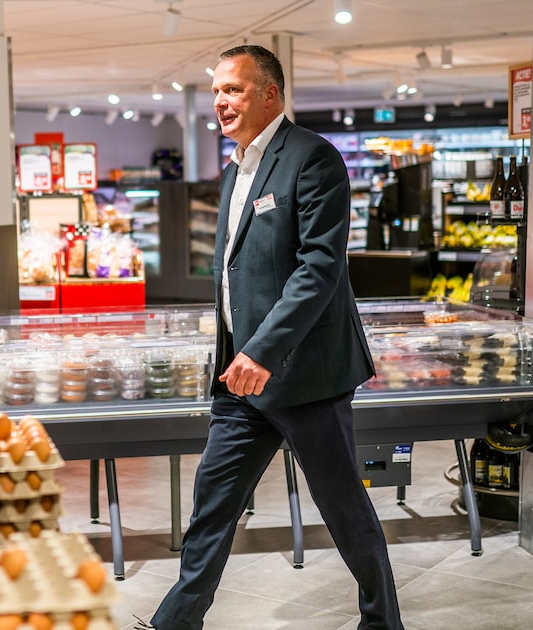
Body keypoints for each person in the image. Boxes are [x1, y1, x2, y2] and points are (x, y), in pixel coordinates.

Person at [145, 45, 403, 630]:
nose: (220, 101)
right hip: (240, 378)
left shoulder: (313, 158)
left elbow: (320, 267)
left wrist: (263, 347)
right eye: (216, 90)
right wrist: (236, 350)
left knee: (342, 507)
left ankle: (384, 623)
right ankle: (176, 623)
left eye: (233, 89)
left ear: (270, 94)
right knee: (211, 507)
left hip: (305, 375)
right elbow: (239, 270)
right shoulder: (235, 168)